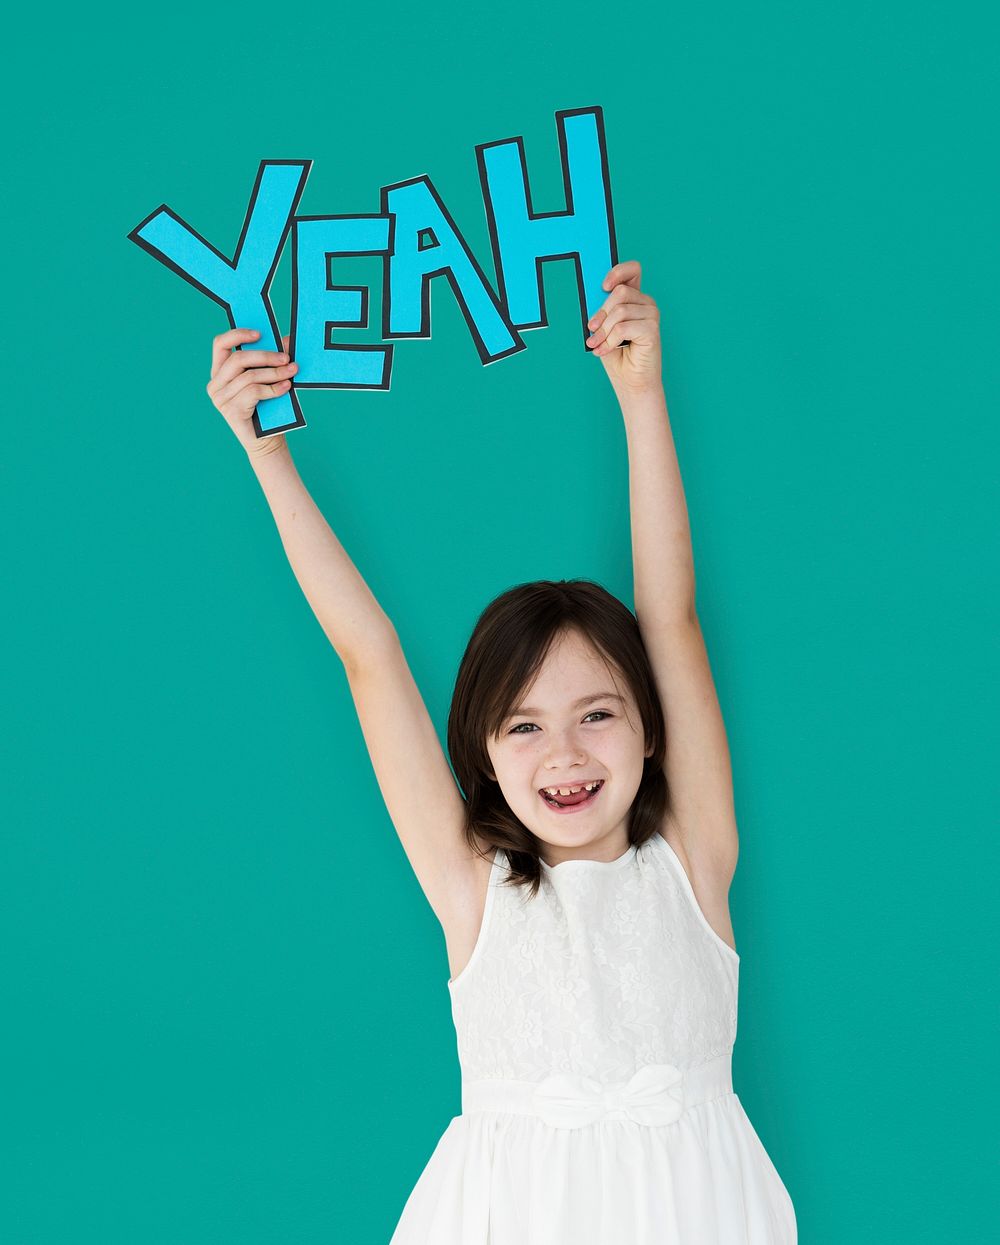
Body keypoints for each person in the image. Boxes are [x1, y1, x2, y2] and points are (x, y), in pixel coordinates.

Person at [205, 259, 798, 1242]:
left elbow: (670, 617)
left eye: (596, 714)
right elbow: (368, 656)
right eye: (522, 726)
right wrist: (268, 456)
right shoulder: (471, 887)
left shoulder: (694, 860)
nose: (562, 753)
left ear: (653, 733)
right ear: (482, 757)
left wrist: (640, 397)